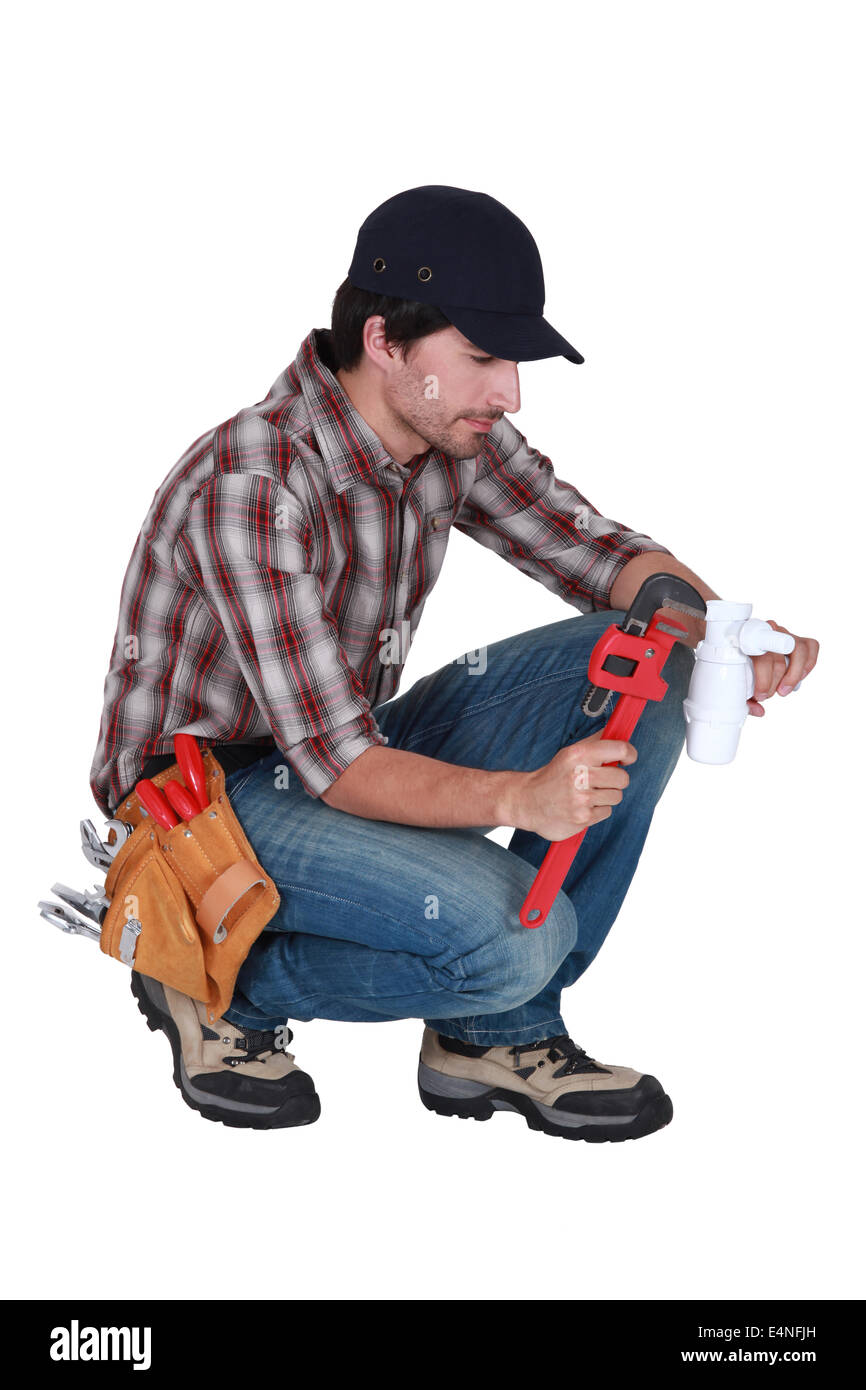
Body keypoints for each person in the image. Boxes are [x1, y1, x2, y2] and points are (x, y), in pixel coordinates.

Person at [90, 185, 819, 1139]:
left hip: (335, 747)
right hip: (205, 803)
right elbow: (338, 766)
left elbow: (596, 553)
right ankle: (203, 973)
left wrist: (724, 631)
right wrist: (520, 800)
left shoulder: (450, 435)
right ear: (385, 341)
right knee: (520, 932)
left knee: (655, 655)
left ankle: (491, 1033)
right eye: (481, 358)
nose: (507, 391)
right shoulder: (253, 485)